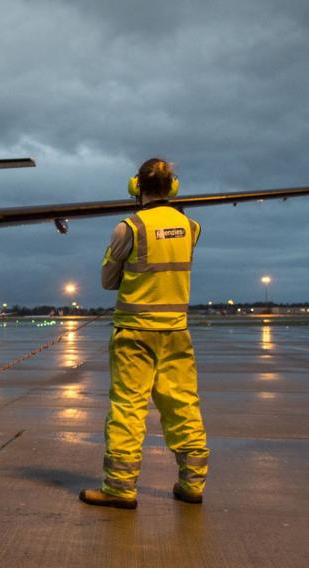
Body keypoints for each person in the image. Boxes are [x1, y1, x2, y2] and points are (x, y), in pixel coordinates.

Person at [80, 158, 209, 510]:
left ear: (136, 187)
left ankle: (120, 488)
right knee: (183, 405)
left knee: (128, 409)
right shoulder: (191, 227)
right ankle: (192, 483)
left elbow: (108, 281)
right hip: (176, 331)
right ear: (173, 187)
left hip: (134, 334)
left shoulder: (129, 228)